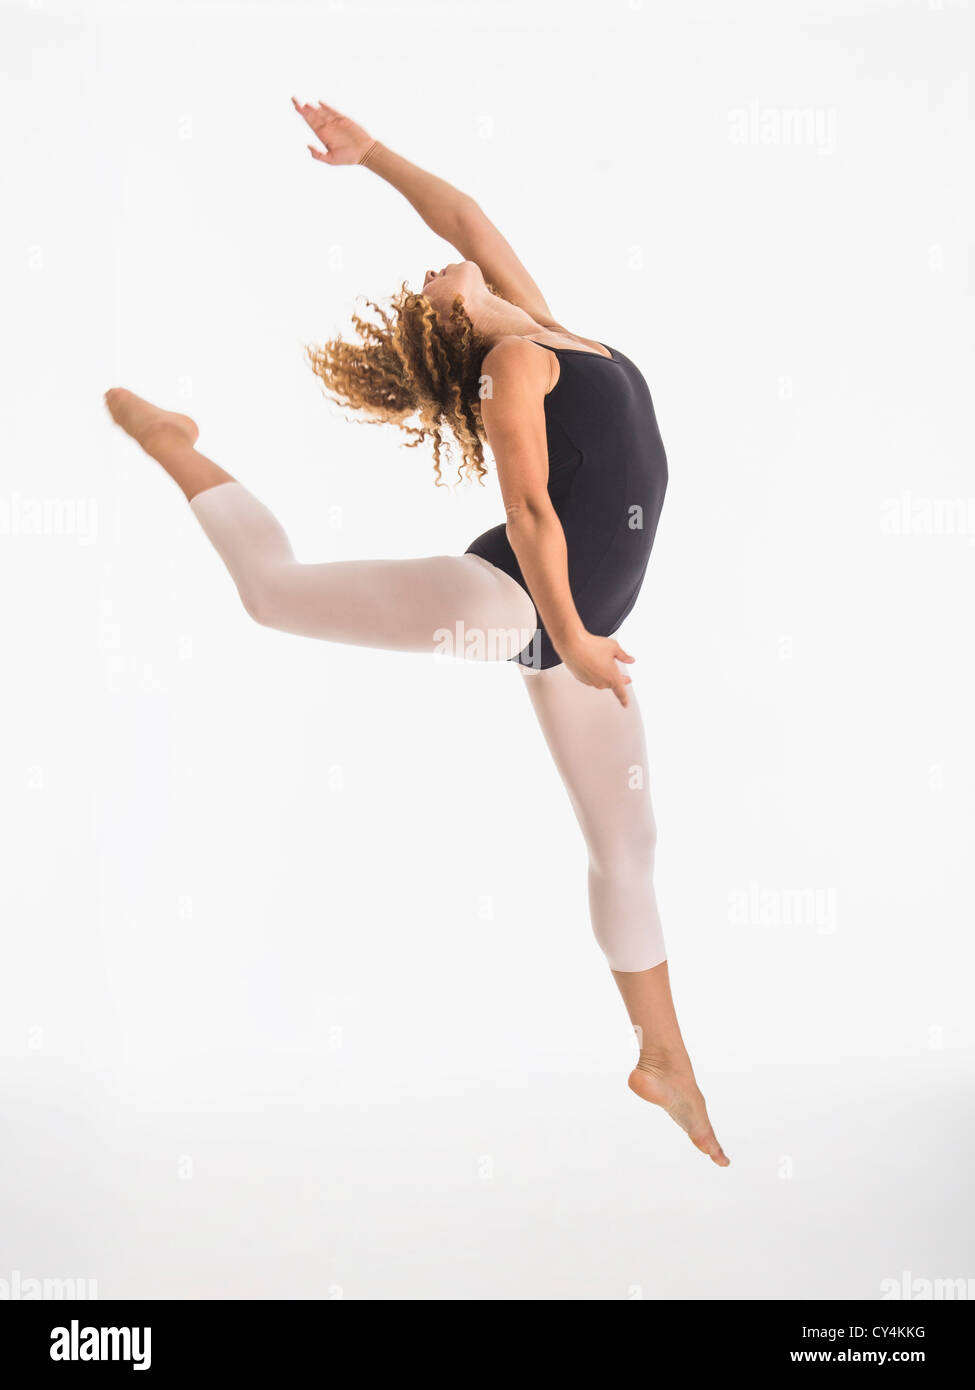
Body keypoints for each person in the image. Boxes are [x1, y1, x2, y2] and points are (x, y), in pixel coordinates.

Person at [105, 97, 729, 1166]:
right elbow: (531, 513)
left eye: (431, 276)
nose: (430, 273)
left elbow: (466, 218)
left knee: (629, 844)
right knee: (274, 592)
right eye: (428, 288)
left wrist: (374, 155)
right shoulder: (508, 370)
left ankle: (662, 1058)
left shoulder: (543, 326)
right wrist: (572, 641)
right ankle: (170, 442)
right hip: (526, 607)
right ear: (450, 325)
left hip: (574, 620)